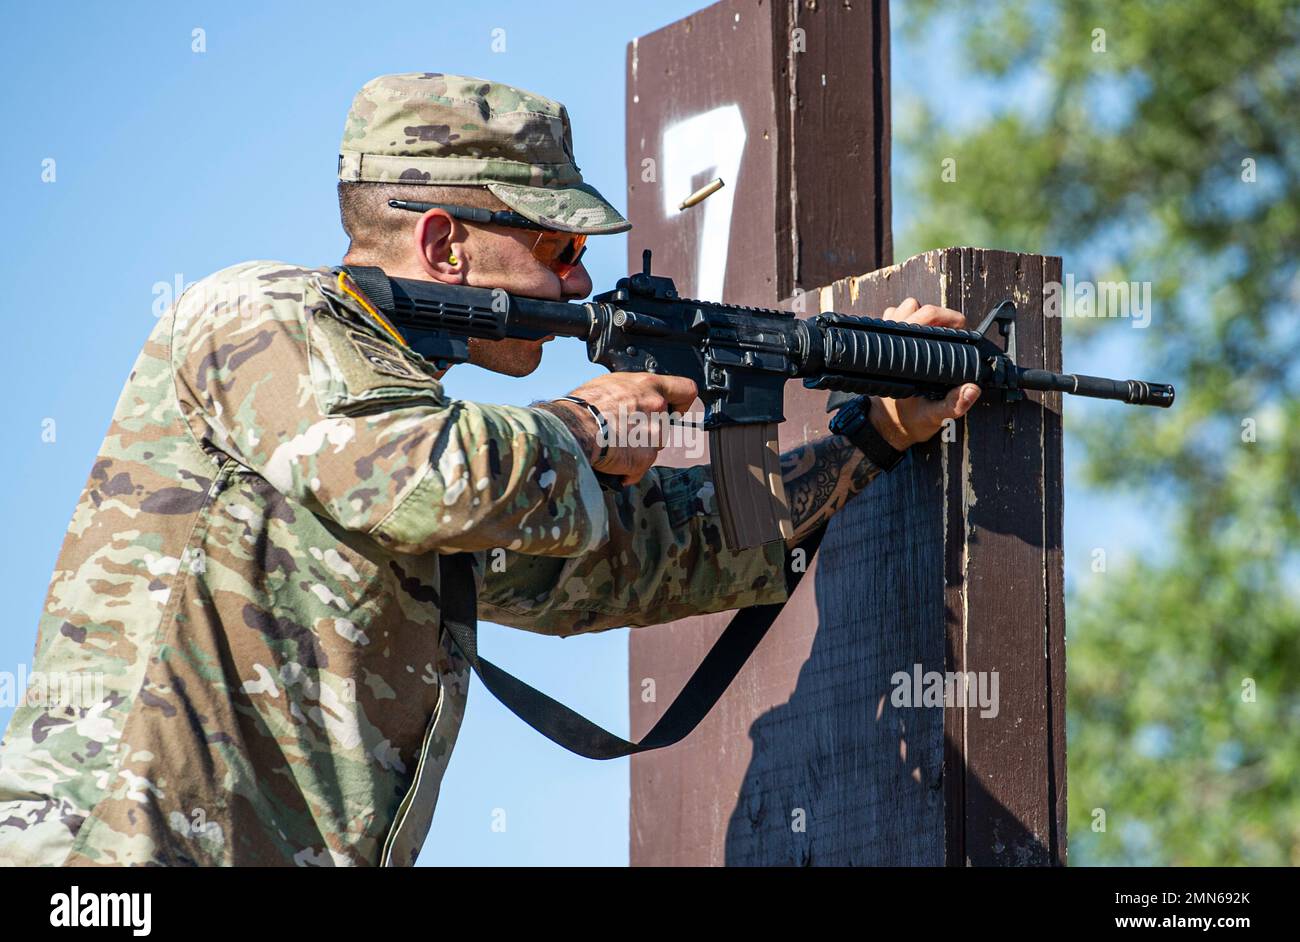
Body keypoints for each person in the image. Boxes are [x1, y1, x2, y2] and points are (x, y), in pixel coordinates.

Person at [0, 73, 980, 866]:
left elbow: (644, 563)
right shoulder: (260, 312)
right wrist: (579, 428)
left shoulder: (408, 418)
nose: (578, 283)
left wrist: (870, 434)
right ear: (441, 242)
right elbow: (414, 477)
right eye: (555, 246)